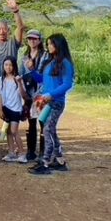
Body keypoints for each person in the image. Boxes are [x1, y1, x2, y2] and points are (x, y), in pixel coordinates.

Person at [28, 34, 75, 175]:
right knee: (50, 129)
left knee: (47, 129)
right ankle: (59, 160)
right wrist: (31, 70)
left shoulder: (65, 63)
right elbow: (43, 79)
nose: (48, 47)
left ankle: (45, 162)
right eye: (48, 44)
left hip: (56, 102)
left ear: (58, 45)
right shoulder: (51, 62)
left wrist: (51, 95)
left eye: (51, 44)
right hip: (47, 101)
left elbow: (67, 84)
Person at [19, 28, 48, 162]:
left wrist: (33, 69)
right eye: (30, 38)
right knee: (31, 123)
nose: (32, 41)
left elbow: (45, 76)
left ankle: (43, 151)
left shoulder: (45, 56)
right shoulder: (24, 56)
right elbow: (21, 73)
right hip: (29, 93)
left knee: (42, 122)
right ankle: (31, 150)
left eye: (34, 38)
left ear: (39, 40)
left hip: (42, 93)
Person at [0, 57, 27, 162]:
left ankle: (22, 153)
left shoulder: (17, 79)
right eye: (6, 65)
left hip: (16, 109)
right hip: (6, 108)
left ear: (14, 66)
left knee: (14, 131)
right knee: (8, 131)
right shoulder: (1, 80)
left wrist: (20, 83)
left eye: (10, 65)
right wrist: (0, 109)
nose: (8, 67)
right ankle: (11, 152)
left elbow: (23, 95)